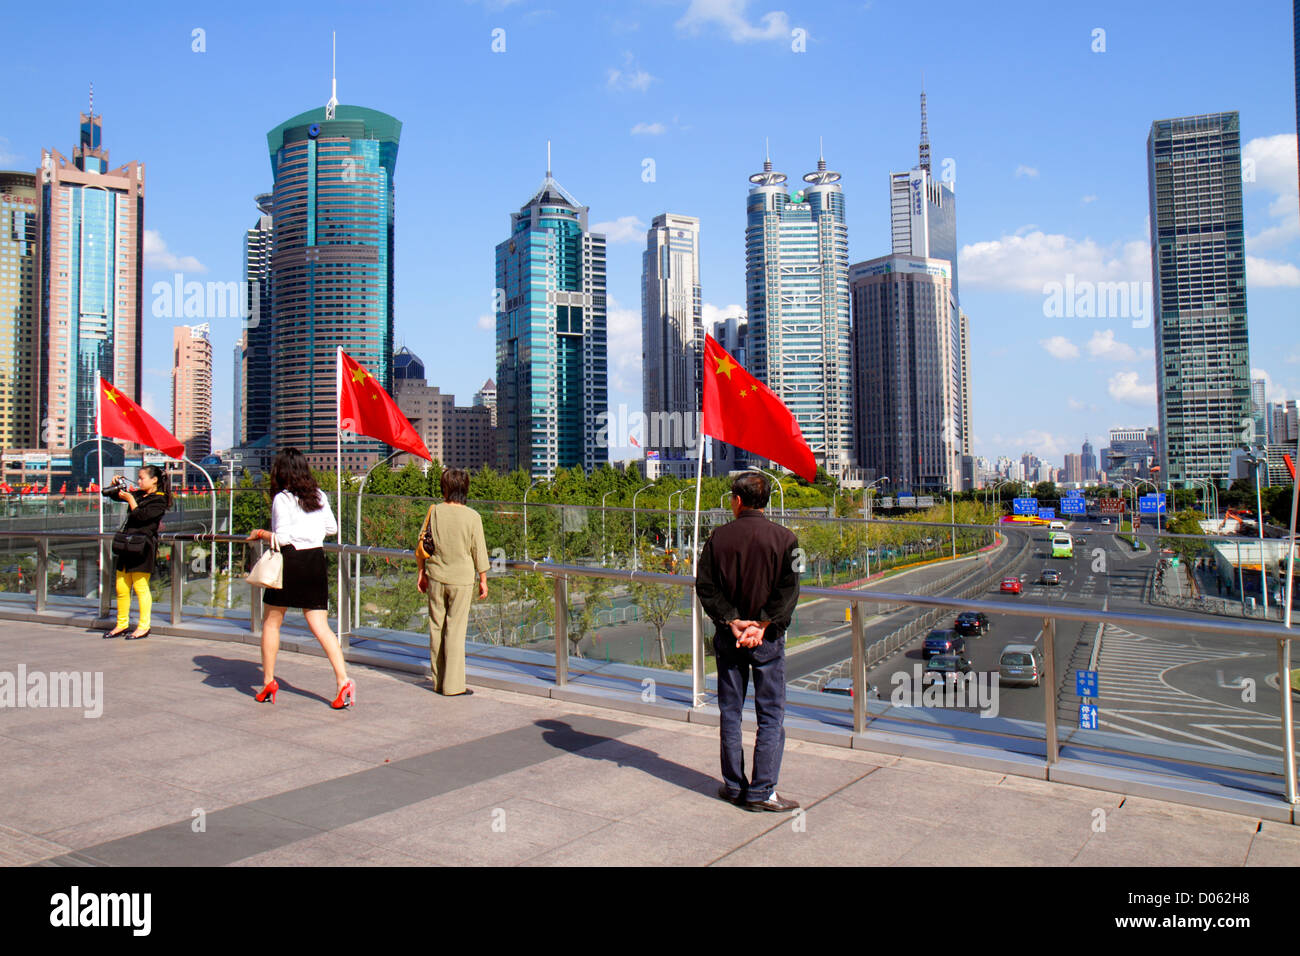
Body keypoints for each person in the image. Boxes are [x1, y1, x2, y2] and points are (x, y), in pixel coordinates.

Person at [695, 472, 801, 812]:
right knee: (770, 715)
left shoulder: (717, 539)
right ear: (765, 501)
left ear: (737, 501)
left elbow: (705, 586)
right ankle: (763, 792)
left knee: (730, 713)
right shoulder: (788, 540)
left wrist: (733, 620)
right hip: (768, 641)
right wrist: (764, 623)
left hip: (731, 640)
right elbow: (791, 589)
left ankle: (734, 785)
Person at [247, 448, 354, 709]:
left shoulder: (282, 499)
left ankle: (269, 681)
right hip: (315, 561)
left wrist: (260, 533)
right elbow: (332, 528)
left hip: (290, 561)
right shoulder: (318, 496)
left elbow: (282, 538)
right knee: (321, 626)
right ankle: (343, 681)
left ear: (281, 471)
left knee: (272, 622)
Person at [417, 467, 489, 696]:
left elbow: (421, 545)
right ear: (465, 488)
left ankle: (437, 681)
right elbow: (480, 551)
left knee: (436, 628)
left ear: (444, 488)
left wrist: (421, 573)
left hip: (436, 575)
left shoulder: (435, 511)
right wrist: (483, 579)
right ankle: (453, 685)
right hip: (461, 579)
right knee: (455, 632)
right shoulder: (472, 517)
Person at [102, 465, 171, 640]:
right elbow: (112, 495)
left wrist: (131, 500)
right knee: (121, 586)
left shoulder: (160, 500)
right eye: (138, 478)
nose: (139, 481)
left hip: (143, 546)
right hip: (128, 544)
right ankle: (121, 624)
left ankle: (143, 626)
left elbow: (141, 516)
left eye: (142, 478)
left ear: (154, 480)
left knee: (140, 586)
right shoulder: (140, 494)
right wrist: (115, 486)